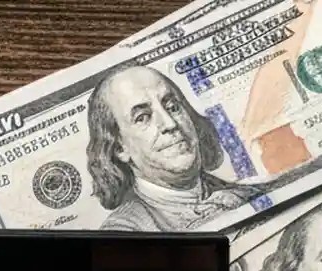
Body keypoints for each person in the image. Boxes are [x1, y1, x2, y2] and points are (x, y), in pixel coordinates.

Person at [85, 65, 262, 231]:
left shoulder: (247, 194)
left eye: (173, 107)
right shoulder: (124, 232)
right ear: (119, 148)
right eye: (142, 117)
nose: (170, 123)